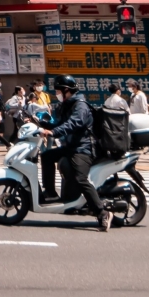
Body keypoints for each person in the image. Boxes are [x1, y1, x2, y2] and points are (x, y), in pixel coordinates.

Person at [37, 75, 111, 231]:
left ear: (66, 90)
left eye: (58, 90)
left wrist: (54, 132)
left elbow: (75, 123)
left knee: (80, 178)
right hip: (72, 146)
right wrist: (42, 124)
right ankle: (50, 193)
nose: (56, 93)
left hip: (84, 148)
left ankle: (102, 212)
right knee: (46, 156)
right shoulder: (67, 104)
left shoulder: (80, 105)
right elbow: (60, 123)